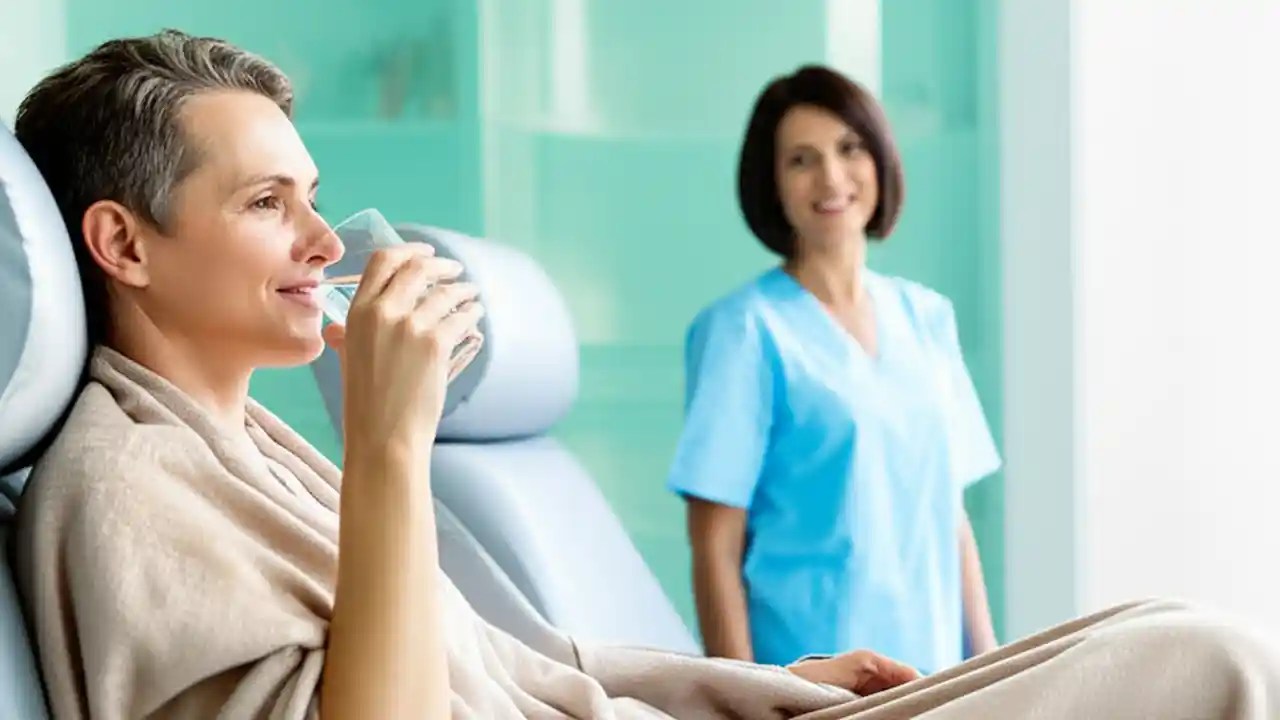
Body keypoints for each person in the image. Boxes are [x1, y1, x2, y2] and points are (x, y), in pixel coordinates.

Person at [9, 29, 1280, 720]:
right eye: (266, 203)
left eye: (313, 197)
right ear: (123, 243)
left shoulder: (247, 449)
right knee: (1211, 661)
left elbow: (514, 661)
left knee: (1159, 630)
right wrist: (389, 448)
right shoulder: (121, 492)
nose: (325, 244)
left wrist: (753, 686)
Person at [666, 66, 997, 674]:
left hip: (936, 682)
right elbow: (715, 545)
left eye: (850, 149)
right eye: (801, 160)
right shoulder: (744, 331)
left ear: (881, 160)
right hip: (813, 687)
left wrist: (990, 671)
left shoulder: (927, 318)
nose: (831, 178)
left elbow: (949, 519)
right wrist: (744, 703)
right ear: (772, 184)